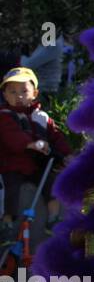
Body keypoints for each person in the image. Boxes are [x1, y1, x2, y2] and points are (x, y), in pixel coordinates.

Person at [0, 66, 73, 241]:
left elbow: (56, 137)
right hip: (13, 164)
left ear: (35, 93)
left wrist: (67, 154)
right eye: (12, 92)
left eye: (24, 91)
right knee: (11, 188)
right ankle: (7, 223)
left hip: (37, 165)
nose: (18, 96)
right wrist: (30, 144)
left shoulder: (42, 117)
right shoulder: (4, 116)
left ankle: (53, 218)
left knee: (52, 183)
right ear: (5, 96)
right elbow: (12, 137)